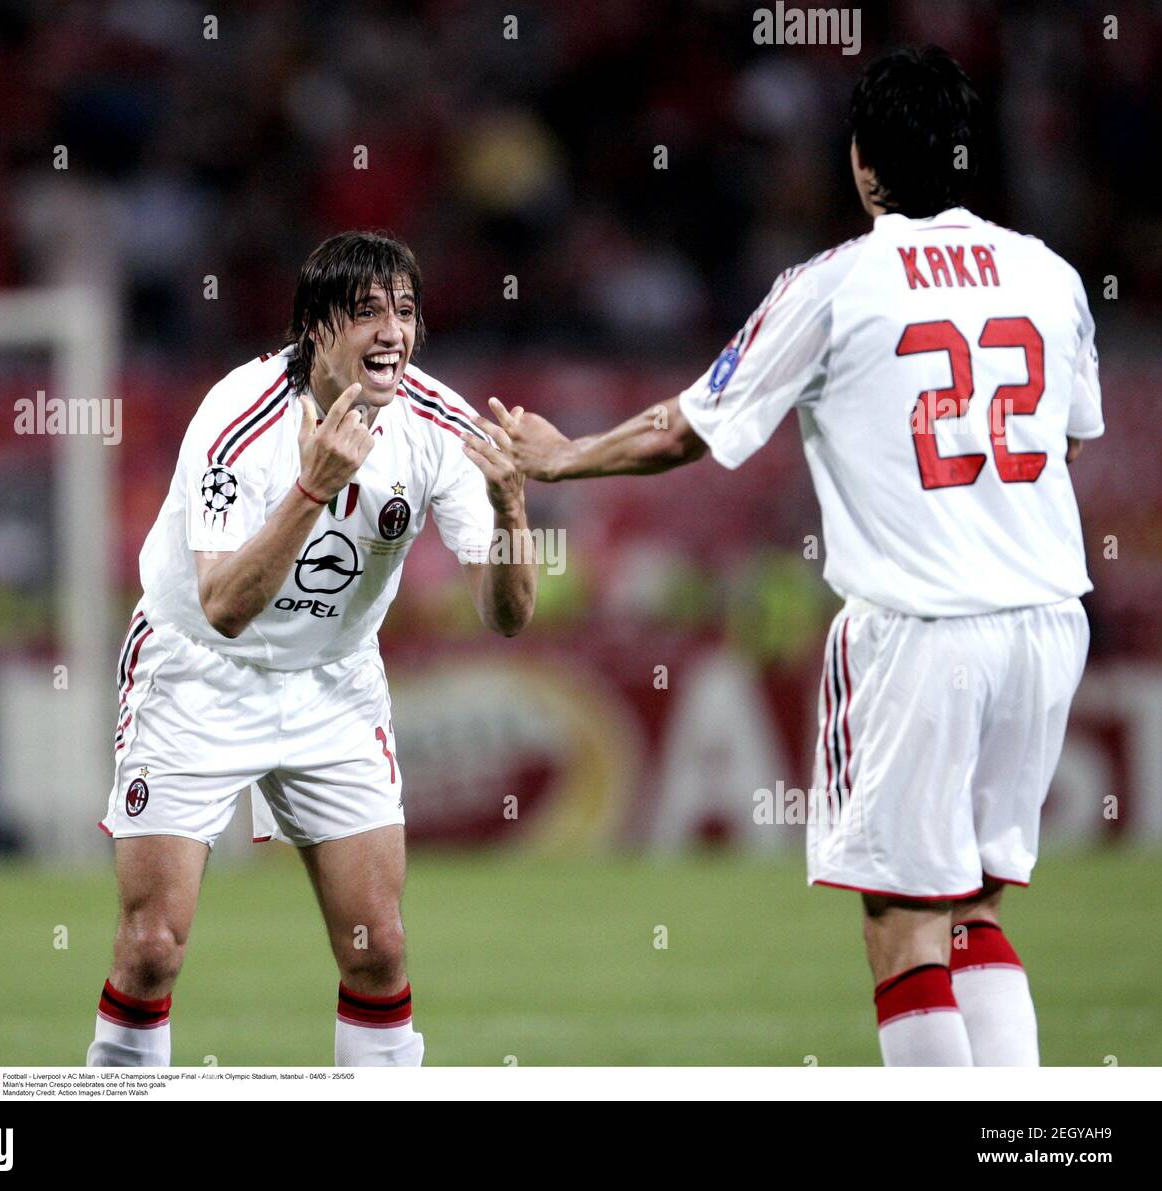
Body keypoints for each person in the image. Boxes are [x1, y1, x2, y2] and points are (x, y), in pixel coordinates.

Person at [502, 47, 1103, 1067]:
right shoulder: (1048, 272)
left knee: (902, 920)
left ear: (864, 164)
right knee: (973, 910)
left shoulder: (837, 281)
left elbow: (683, 429)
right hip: (1047, 621)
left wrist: (561, 460)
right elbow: (1069, 437)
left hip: (923, 630)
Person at [88, 230, 536, 1067]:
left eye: (405, 311)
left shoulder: (440, 424)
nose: (393, 331)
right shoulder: (233, 417)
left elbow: (504, 615)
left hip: (332, 684)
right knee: (152, 948)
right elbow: (223, 606)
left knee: (379, 948)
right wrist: (312, 488)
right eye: (366, 312)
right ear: (313, 329)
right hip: (197, 674)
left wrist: (512, 512)